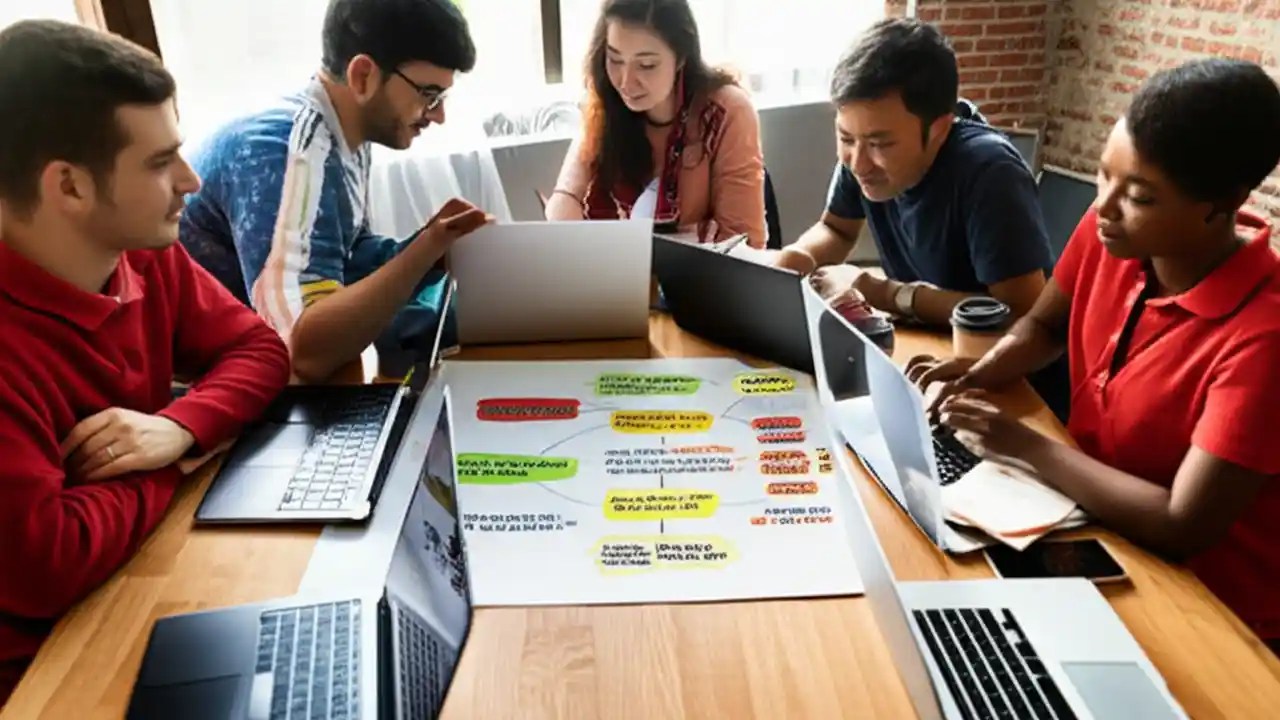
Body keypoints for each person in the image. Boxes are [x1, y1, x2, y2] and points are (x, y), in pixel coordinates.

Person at [910, 58, 1280, 655]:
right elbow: (1044, 324)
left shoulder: (1263, 337)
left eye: (1139, 197)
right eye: (1104, 177)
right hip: (1095, 529)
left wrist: (1024, 445)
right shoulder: (1114, 235)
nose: (1104, 207)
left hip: (1216, 612)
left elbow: (1182, 524)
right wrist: (980, 372)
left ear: (1221, 203)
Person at [0, 21, 292, 704]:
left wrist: (180, 427)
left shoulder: (143, 254)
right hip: (40, 672)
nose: (191, 181)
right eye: (161, 162)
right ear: (69, 187)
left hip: (131, 576)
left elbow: (258, 349)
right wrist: (178, 461)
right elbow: (46, 562)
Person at [180, 0, 491, 383]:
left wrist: (438, 247)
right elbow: (303, 352)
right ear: (363, 76)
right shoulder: (288, 154)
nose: (438, 115)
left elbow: (344, 256)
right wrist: (425, 247)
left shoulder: (342, 135)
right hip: (198, 385)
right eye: (429, 94)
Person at [771, 18, 1051, 327]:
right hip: (926, 341)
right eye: (845, 138)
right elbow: (837, 229)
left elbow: (1022, 314)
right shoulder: (862, 156)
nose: (859, 164)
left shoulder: (992, 174)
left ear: (938, 130)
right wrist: (801, 256)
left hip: (990, 354)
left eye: (881, 144)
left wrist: (887, 293)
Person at [544, 0, 767, 248]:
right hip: (616, 267)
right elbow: (566, 196)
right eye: (615, 60)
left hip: (702, 271)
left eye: (646, 65)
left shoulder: (726, 112)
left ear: (681, 57)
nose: (626, 82)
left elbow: (744, 242)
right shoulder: (607, 103)